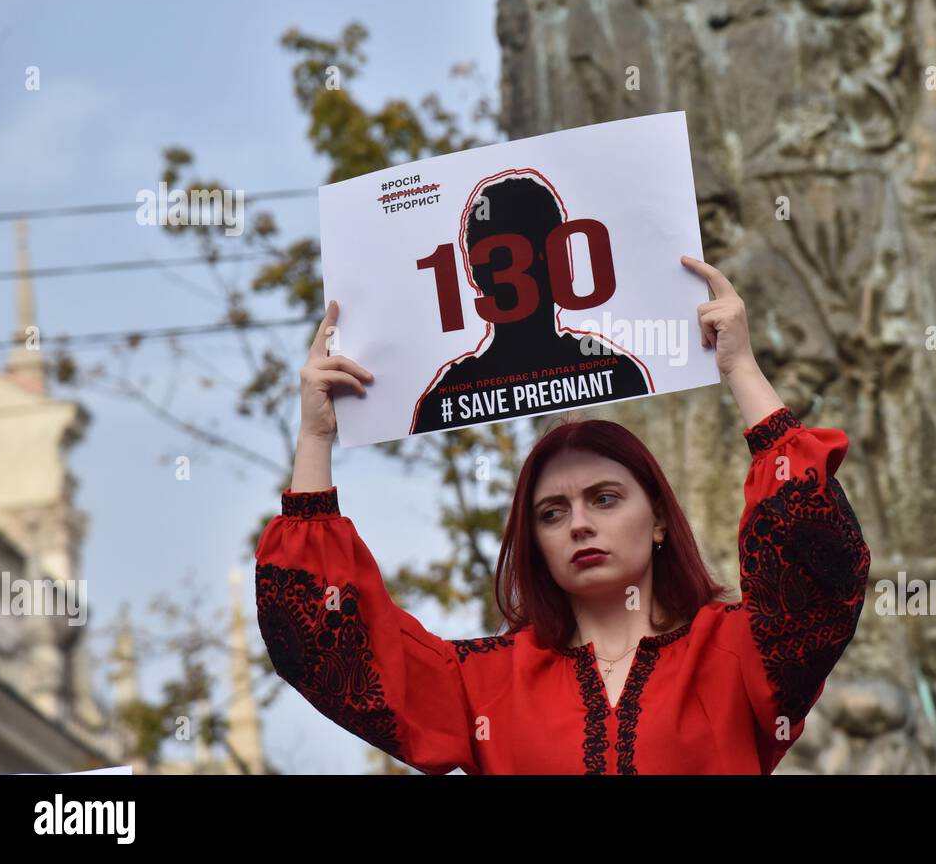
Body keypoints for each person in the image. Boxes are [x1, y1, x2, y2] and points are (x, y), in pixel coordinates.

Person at [255, 254, 871, 774]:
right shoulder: (483, 684)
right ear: (535, 544)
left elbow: (817, 554)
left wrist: (741, 369)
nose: (579, 522)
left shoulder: (741, 652)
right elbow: (322, 643)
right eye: (552, 513)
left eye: (604, 498)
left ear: (658, 520)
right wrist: (315, 437)